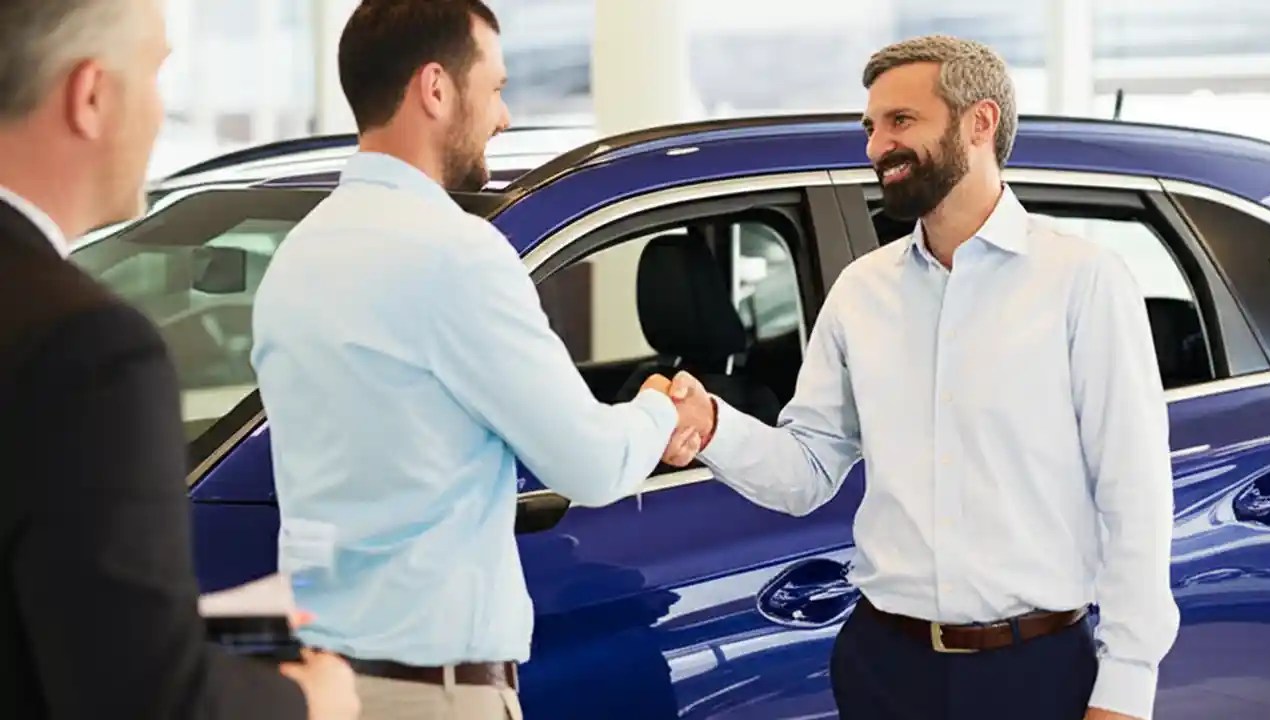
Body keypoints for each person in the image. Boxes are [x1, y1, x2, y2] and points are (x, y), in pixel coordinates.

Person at [655, 35, 1179, 720]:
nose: (877, 147)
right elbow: (808, 467)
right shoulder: (859, 292)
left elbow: (1135, 495)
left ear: (979, 123)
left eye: (901, 122)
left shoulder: (1081, 281)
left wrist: (1127, 685)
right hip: (884, 667)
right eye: (871, 127)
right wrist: (712, 427)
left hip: (1036, 673)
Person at [249, 1, 702, 717]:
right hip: (434, 694)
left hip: (325, 685)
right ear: (435, 88)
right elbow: (590, 464)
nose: (505, 115)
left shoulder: (298, 256)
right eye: (494, 88)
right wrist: (661, 408)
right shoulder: (453, 253)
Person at [0, 1, 360, 718]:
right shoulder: (91, 351)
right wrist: (308, 702)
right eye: (157, 74)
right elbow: (142, 698)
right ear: (92, 95)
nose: (163, 111)